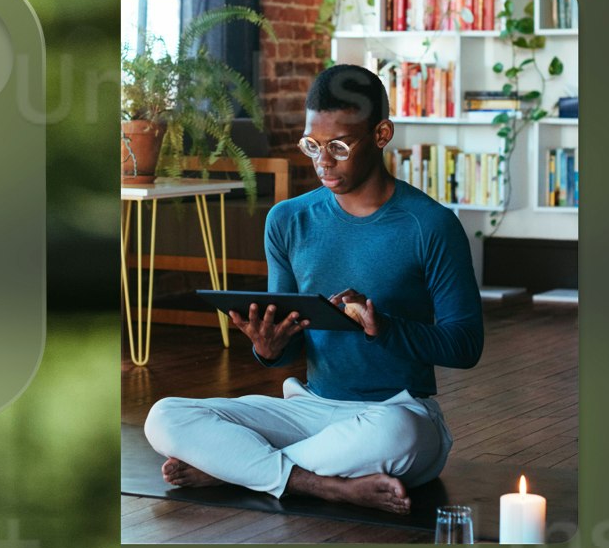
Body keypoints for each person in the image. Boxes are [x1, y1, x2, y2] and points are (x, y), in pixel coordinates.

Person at [141, 60, 483, 519]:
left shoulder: (432, 225)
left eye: (339, 146)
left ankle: (236, 470)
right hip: (309, 410)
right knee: (165, 416)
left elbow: (465, 345)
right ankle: (324, 486)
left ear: (382, 134)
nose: (323, 161)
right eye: (312, 145)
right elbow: (285, 346)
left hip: (394, 412)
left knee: (399, 436)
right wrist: (269, 347)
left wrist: (385, 327)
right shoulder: (287, 220)